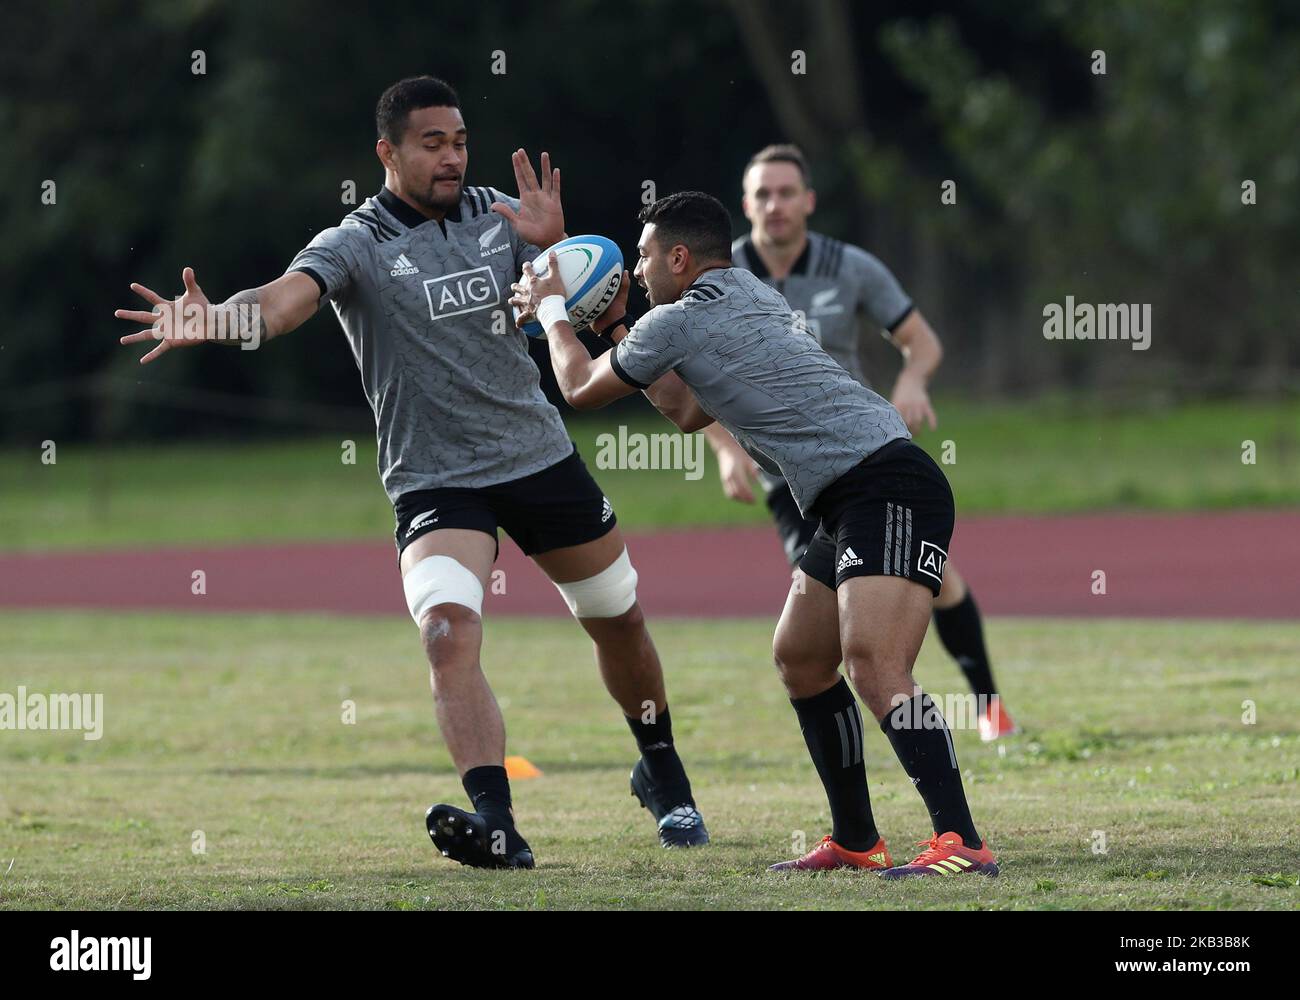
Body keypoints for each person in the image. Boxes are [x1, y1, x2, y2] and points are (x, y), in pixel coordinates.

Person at [114, 76, 708, 870]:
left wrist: (553, 250)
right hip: (435, 480)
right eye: (432, 144)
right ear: (387, 152)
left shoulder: (505, 216)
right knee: (444, 633)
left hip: (537, 457)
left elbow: (578, 303)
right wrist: (218, 318)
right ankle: (496, 820)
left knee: (618, 620)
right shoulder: (354, 241)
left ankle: (662, 772)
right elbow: (284, 304)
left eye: (460, 142)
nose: (452, 158)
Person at [510, 191, 999, 877]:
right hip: (849, 493)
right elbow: (685, 410)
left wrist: (557, 308)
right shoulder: (747, 290)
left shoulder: (677, 319)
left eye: (647, 256)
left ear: (680, 258)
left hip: (885, 483)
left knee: (875, 667)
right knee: (801, 657)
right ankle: (857, 841)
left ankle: (964, 842)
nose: (640, 270)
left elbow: (581, 388)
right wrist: (617, 320)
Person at [704, 144, 1017, 742]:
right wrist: (725, 449)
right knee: (824, 606)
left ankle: (987, 706)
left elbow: (922, 342)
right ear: (745, 204)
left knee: (939, 579)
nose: (774, 205)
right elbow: (694, 372)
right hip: (789, 478)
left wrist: (911, 377)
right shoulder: (722, 277)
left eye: (786, 192)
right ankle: (865, 720)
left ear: (809, 201)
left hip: (861, 460)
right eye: (762, 194)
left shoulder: (852, 267)